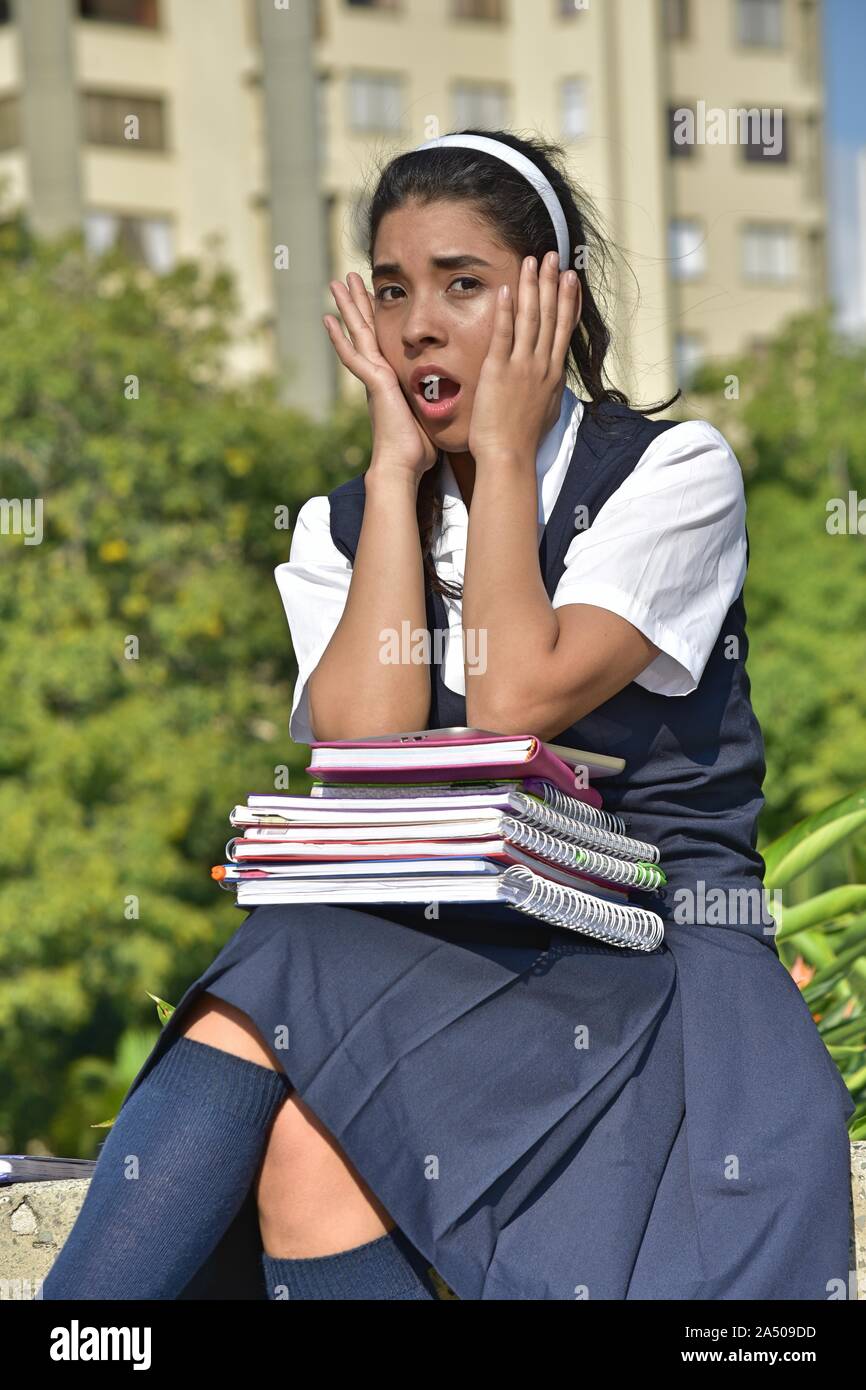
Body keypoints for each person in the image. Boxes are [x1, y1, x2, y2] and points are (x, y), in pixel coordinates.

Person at [40, 128, 855, 1302]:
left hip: (651, 948)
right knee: (305, 1119)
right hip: (447, 945)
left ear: (550, 300)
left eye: (461, 284)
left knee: (284, 967)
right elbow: (359, 750)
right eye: (388, 289)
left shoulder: (672, 474)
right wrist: (389, 478)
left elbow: (516, 695)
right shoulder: (343, 523)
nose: (415, 323)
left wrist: (506, 455)